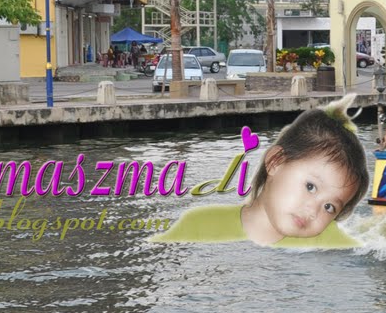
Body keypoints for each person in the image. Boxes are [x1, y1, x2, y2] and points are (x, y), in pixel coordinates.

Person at [153, 94, 368, 248]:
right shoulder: (199, 223)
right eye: (310, 187)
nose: (313, 211)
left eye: (329, 207)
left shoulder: (333, 244)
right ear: (275, 162)